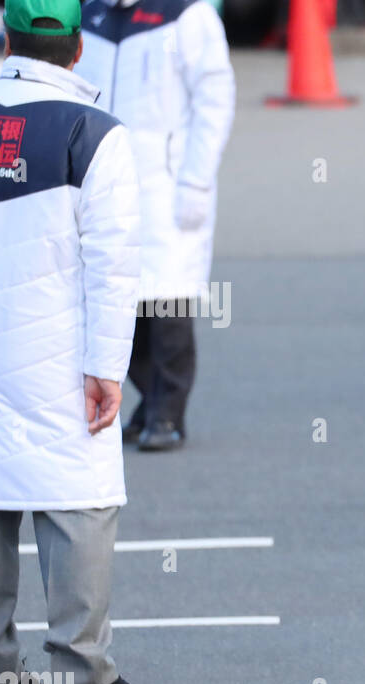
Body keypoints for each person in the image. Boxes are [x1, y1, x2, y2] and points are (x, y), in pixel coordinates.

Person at [0, 0, 163, 684]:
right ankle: (82, 671)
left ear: (10, 38)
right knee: (80, 499)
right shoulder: (94, 132)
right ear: (78, 49)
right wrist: (107, 369)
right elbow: (113, 266)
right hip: (57, 350)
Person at [76, 0, 236, 451]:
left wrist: (196, 180)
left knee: (168, 302)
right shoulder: (90, 15)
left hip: (166, 180)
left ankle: (169, 412)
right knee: (120, 301)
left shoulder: (186, 14)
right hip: (105, 180)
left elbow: (215, 99)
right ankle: (148, 399)